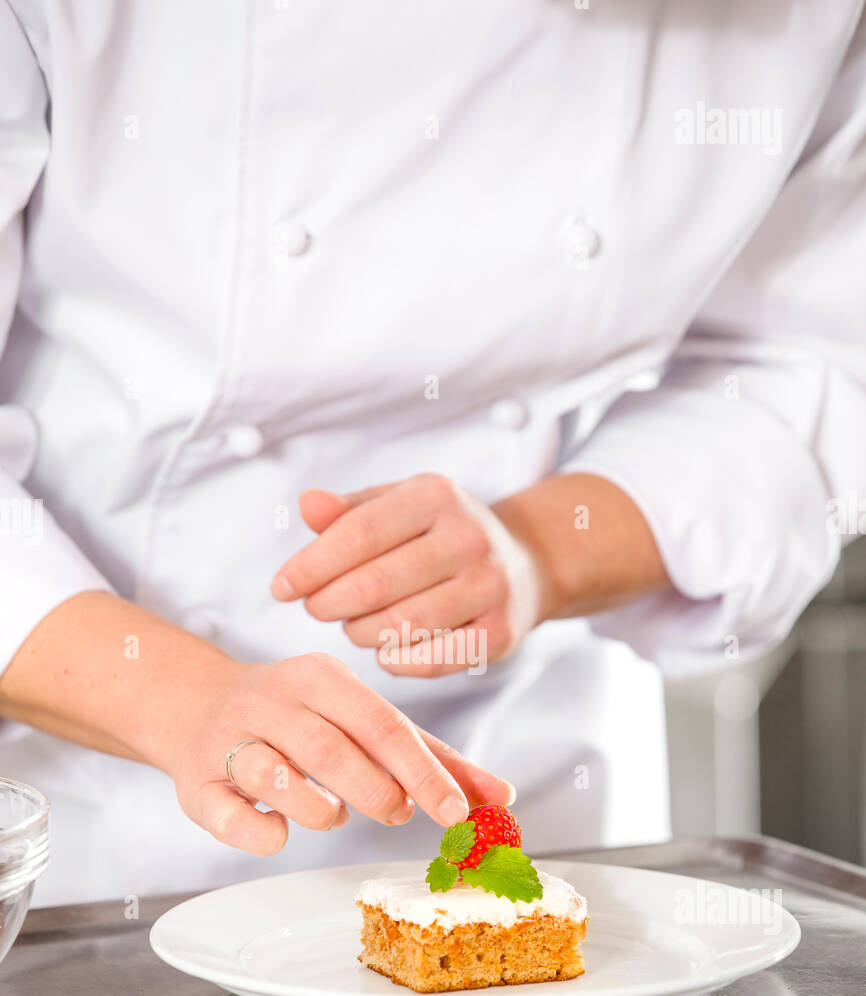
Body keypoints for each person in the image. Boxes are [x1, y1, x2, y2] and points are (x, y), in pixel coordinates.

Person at [1, 0, 864, 905]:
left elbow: (813, 353)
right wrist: (181, 698)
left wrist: (542, 550)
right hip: (87, 825)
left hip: (530, 783)